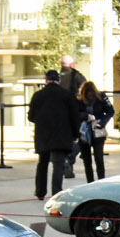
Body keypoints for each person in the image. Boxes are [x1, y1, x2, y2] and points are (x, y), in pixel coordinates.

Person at [28, 70, 82, 198]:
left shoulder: (38, 95)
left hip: (43, 134)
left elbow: (31, 117)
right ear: (59, 80)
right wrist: (75, 134)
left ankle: (40, 192)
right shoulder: (67, 95)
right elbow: (75, 117)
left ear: (45, 80)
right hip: (61, 135)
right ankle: (56, 192)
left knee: (43, 163)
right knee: (58, 164)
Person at [78, 81, 113, 184]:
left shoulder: (101, 98)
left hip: (98, 130)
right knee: (87, 160)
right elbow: (75, 113)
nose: (90, 97)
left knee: (99, 157)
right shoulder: (79, 100)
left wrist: (102, 123)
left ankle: (101, 180)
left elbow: (110, 111)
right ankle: (90, 182)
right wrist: (85, 116)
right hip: (84, 131)